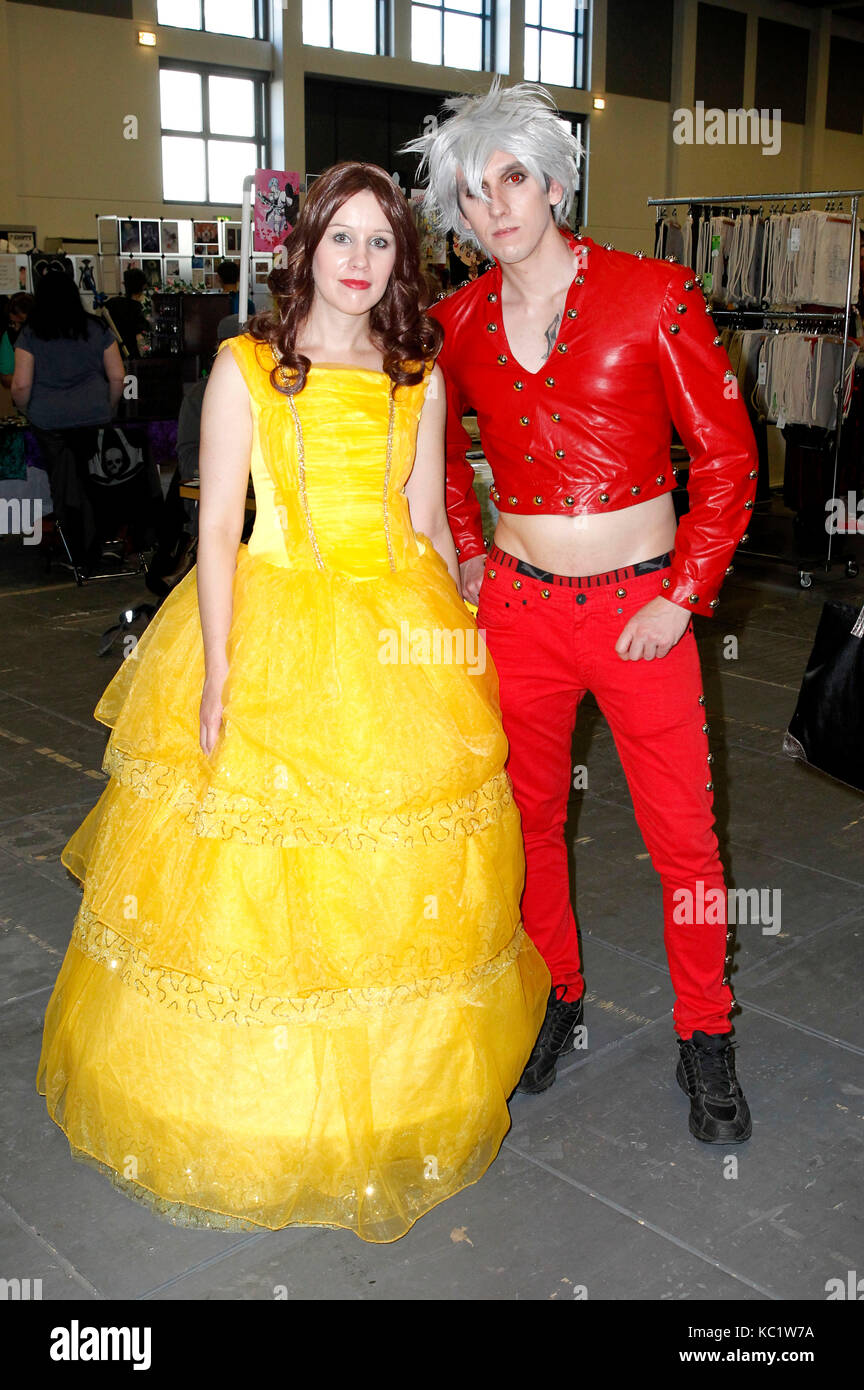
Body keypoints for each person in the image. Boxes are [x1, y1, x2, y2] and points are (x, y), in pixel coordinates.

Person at [36, 161, 549, 1242]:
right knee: (253, 876)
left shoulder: (420, 371)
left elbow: (426, 523)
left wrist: (456, 624)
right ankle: (243, 1109)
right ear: (306, 245)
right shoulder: (248, 366)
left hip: (395, 634)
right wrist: (221, 672)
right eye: (342, 239)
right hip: (275, 620)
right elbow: (217, 527)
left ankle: (395, 1098)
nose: (360, 263)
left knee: (392, 874)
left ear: (400, 258)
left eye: (381, 243)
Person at [407, 83, 758, 1141]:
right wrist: (470, 558)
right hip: (519, 615)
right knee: (527, 825)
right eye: (473, 192)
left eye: (514, 177)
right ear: (460, 218)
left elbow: (733, 458)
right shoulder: (455, 324)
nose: (497, 205)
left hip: (641, 611)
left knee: (686, 842)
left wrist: (685, 592)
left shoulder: (659, 295)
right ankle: (556, 996)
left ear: (555, 181)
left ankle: (707, 1031)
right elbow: (444, 468)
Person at [12, 273, 124, 571]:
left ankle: (75, 550)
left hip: (50, 423)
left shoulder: (30, 333)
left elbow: (21, 385)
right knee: (95, 484)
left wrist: (24, 410)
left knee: (63, 485)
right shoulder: (97, 328)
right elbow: (117, 376)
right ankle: (103, 545)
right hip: (94, 417)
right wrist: (108, 408)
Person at [105, 267, 150, 360]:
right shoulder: (138, 309)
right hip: (132, 357)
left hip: (113, 354)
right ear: (143, 286)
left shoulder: (112, 303)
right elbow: (140, 338)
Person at [0, 291, 33, 389]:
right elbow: (5, 379)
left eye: (21, 323)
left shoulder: (50, 337)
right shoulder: (9, 336)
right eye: (13, 323)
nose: (16, 328)